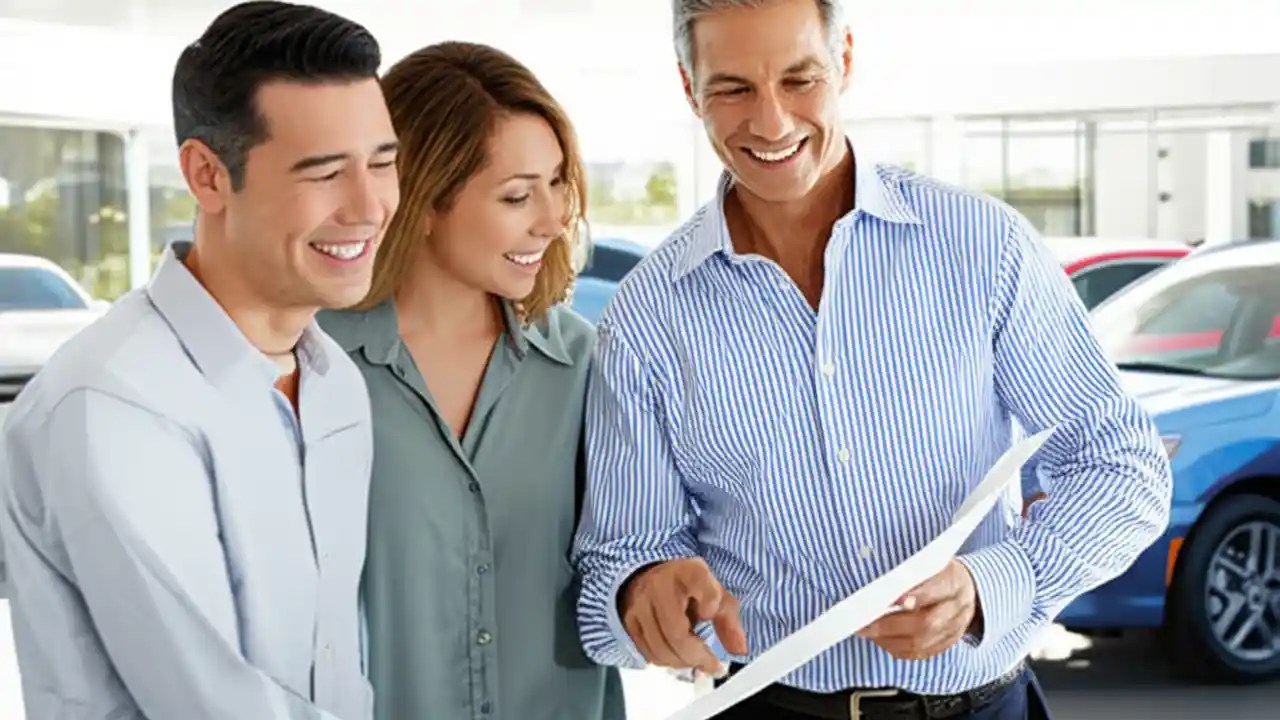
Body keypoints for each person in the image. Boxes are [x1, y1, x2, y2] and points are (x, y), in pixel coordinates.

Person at [571, 1, 1173, 718]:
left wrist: (994, 584)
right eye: (733, 88)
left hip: (982, 705)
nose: (771, 122)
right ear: (687, 85)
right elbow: (617, 557)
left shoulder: (983, 247)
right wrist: (643, 591)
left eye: (800, 80)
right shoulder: (644, 317)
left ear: (845, 60)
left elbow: (1121, 464)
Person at [0, 2, 399, 718]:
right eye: (325, 172)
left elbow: (342, 668)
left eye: (382, 163)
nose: (368, 206)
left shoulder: (336, 385)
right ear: (208, 176)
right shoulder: (115, 405)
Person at [316, 41, 626, 720]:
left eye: (557, 184)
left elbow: (631, 560)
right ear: (421, 199)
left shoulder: (583, 365)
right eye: (517, 195)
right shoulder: (315, 366)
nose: (551, 220)